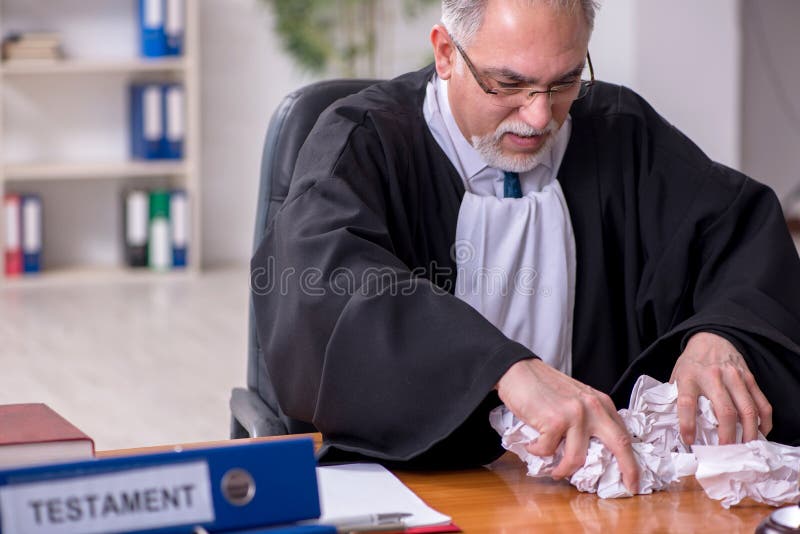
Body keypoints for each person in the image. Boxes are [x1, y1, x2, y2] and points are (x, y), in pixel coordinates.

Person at [252, 0, 800, 493]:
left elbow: (738, 238)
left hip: (596, 491)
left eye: (563, 82)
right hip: (429, 483)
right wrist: (505, 369)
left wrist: (721, 332)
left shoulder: (620, 135)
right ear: (446, 53)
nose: (539, 117)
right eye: (507, 85)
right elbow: (322, 283)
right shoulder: (363, 142)